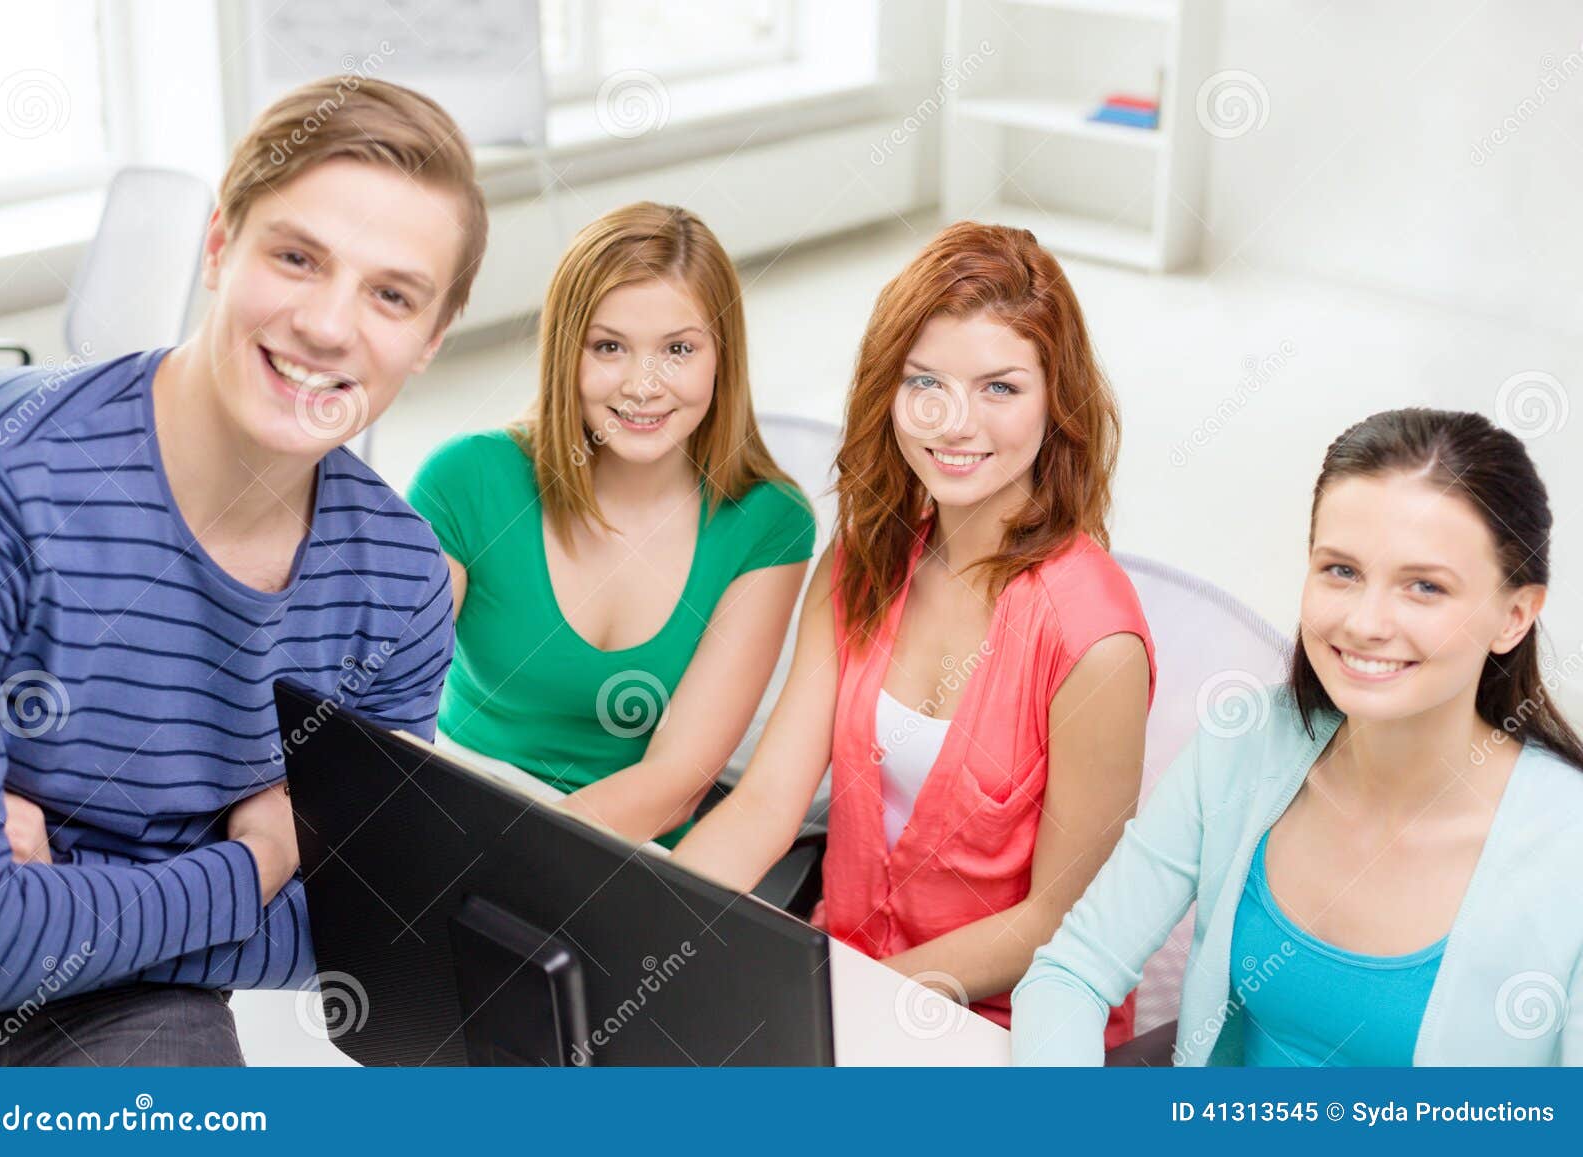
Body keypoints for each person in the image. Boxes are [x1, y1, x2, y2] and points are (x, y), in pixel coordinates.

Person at [0, 75, 487, 1065]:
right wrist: (255, 859)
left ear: (429, 340)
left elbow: (357, 938)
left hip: (111, 1009)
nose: (329, 326)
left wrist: (54, 905)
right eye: (297, 258)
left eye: (390, 295)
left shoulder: (396, 584)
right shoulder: (11, 471)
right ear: (218, 245)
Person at [671, 222, 1155, 1042]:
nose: (955, 422)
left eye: (1000, 388)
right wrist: (645, 920)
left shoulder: (1096, 642)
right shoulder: (861, 561)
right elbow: (765, 805)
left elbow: (1058, 919)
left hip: (1004, 1027)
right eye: (924, 380)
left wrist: (864, 1005)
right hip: (843, 978)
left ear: (1057, 402)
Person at [1013, 408, 1583, 1066]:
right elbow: (1073, 969)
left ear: (1515, 616)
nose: (1366, 621)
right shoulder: (1245, 742)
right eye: (1341, 570)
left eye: (1425, 586)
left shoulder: (1566, 848)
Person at [407, 203, 815, 848]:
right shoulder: (466, 480)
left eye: (678, 348)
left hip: (624, 856)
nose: (642, 386)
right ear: (566, 354)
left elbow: (677, 780)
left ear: (721, 357)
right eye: (608, 347)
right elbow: (384, 708)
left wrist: (515, 865)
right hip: (458, 817)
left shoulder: (768, 524)